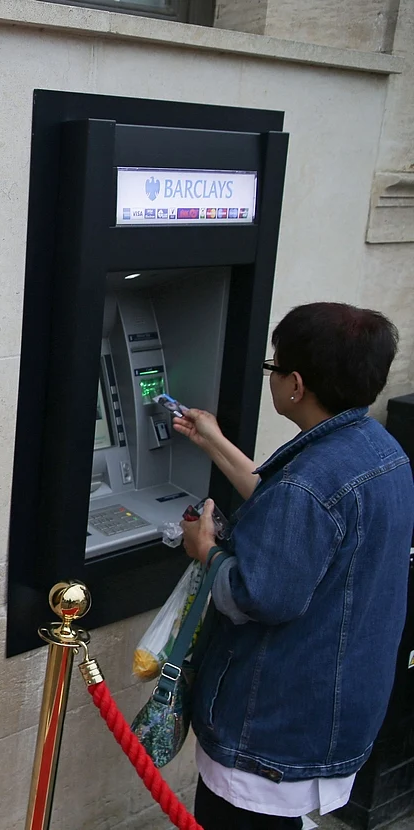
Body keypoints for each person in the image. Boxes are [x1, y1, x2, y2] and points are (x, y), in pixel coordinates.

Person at [174, 302, 413, 829]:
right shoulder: (380, 451)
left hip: (269, 734)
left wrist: (205, 551)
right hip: (334, 714)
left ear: (297, 385)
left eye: (273, 368)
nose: (273, 379)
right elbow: (293, 516)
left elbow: (259, 594)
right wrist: (213, 442)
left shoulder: (308, 486)